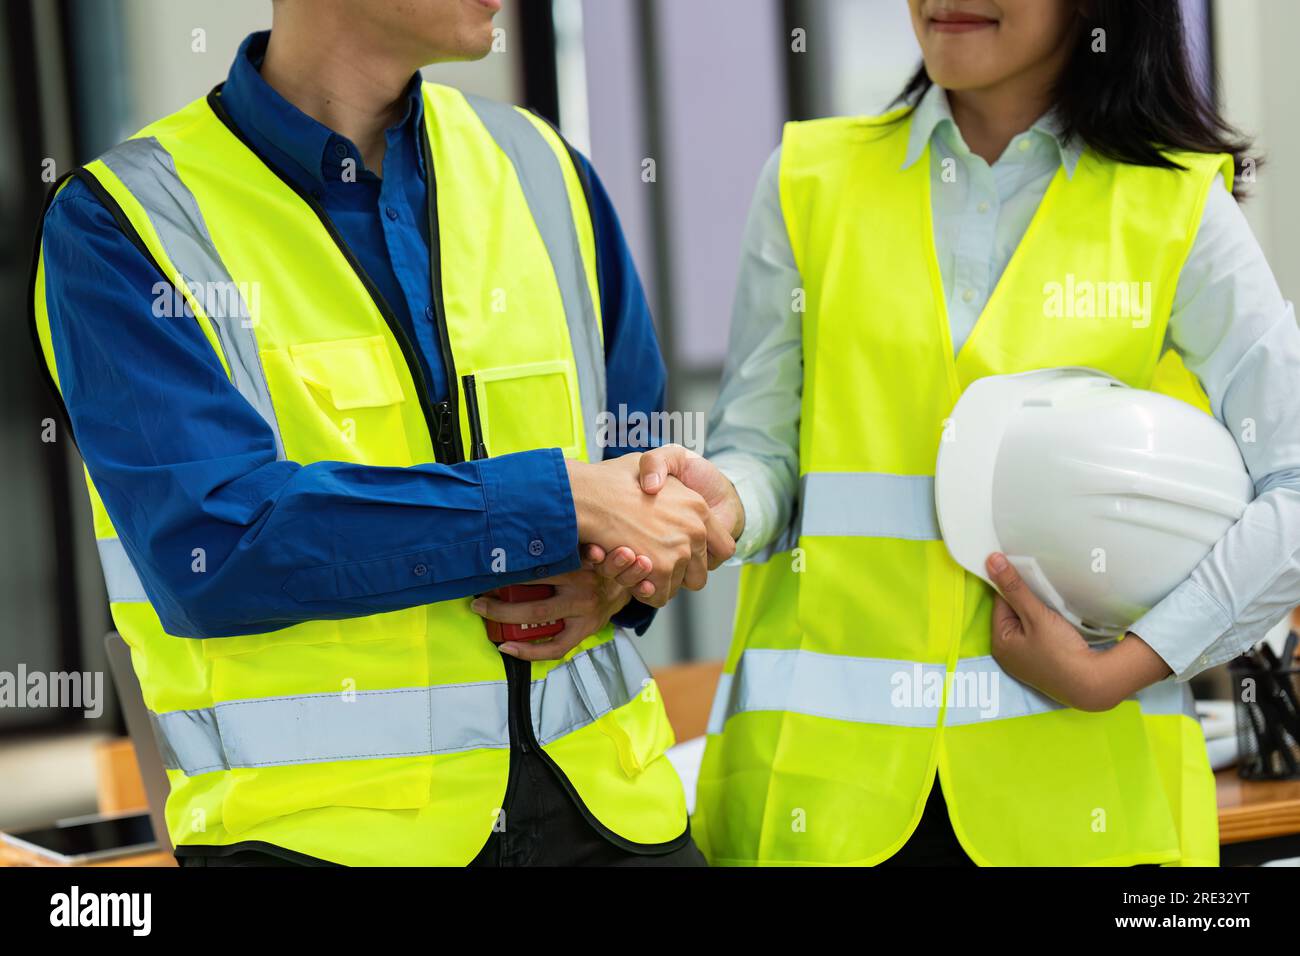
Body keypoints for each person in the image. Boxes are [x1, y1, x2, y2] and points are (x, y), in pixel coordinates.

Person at [30, 0, 733, 867]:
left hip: (617, 819)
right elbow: (216, 543)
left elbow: (640, 471)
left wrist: (620, 580)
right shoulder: (127, 222)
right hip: (320, 844)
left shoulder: (544, 169)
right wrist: (561, 503)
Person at [621, 0, 1300, 865]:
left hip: (1079, 817)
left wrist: (1117, 669)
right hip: (822, 810)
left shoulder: (1176, 207)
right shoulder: (810, 180)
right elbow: (763, 455)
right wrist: (729, 501)